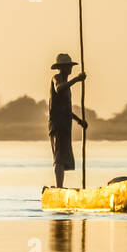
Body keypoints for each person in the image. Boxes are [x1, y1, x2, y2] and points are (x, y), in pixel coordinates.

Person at [49, 53, 88, 188]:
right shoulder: (57, 78)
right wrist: (77, 80)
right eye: (68, 66)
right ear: (62, 68)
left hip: (65, 124)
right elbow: (58, 89)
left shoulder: (67, 86)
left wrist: (79, 120)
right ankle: (59, 187)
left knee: (64, 157)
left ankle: (60, 186)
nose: (70, 69)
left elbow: (66, 109)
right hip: (57, 124)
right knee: (59, 157)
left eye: (70, 66)